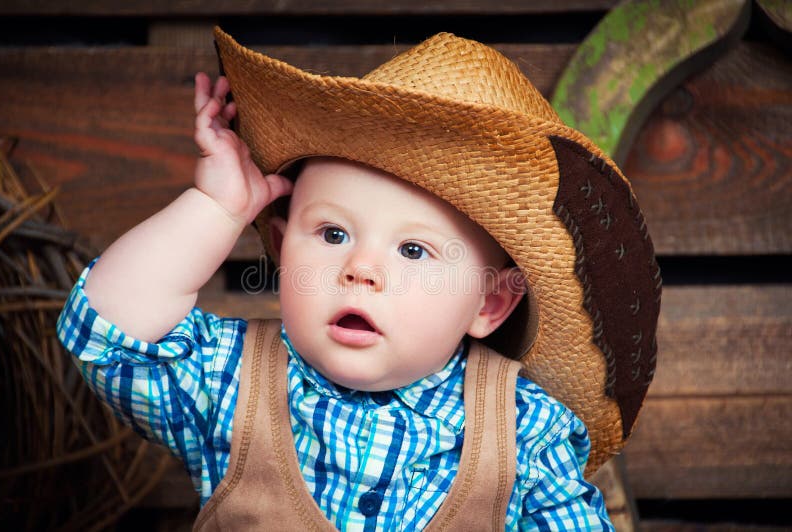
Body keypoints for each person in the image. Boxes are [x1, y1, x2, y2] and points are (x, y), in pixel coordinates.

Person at [58, 28, 661, 530]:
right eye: (333, 234)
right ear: (282, 252)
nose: (360, 270)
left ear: (489, 305)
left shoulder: (524, 432)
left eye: (414, 250)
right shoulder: (231, 380)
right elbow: (103, 328)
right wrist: (217, 209)